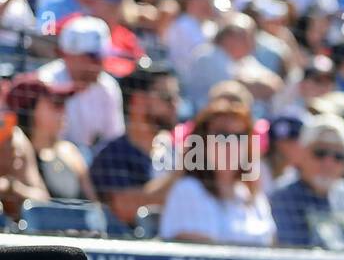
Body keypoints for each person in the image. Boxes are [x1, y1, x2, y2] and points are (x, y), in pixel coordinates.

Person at [159, 100, 275, 246]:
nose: (231, 144)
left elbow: (272, 250)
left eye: (239, 136)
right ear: (202, 142)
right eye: (222, 135)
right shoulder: (188, 190)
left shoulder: (253, 195)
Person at [270, 113, 344, 250]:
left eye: (339, 156)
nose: (329, 163)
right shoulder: (283, 197)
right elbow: (295, 252)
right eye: (320, 153)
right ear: (302, 153)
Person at [89, 64, 182, 226]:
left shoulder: (172, 151)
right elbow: (125, 208)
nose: (175, 104)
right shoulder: (112, 154)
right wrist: (184, 174)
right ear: (138, 101)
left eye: (176, 97)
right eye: (167, 97)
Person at [36, 16, 124, 157]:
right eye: (92, 57)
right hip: (52, 160)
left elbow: (113, 140)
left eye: (102, 56)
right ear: (69, 54)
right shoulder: (45, 82)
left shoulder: (108, 87)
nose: (99, 63)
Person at [4, 74, 95, 202]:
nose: (63, 111)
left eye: (63, 103)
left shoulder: (70, 152)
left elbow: (94, 207)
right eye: (56, 104)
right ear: (30, 110)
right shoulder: (13, 155)